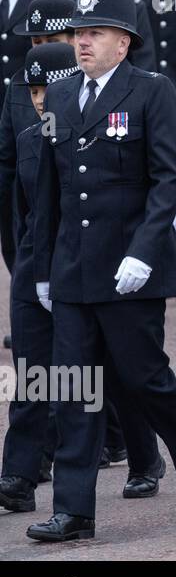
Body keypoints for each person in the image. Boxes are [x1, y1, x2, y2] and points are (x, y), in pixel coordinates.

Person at [29, 0, 176, 542]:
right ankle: (74, 510)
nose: (82, 42)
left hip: (129, 271)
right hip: (72, 271)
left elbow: (169, 178)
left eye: (95, 33)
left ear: (124, 41)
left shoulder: (151, 91)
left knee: (145, 380)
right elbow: (48, 190)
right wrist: (43, 269)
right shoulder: (63, 94)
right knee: (72, 385)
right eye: (78, 33)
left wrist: (146, 251)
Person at [0, 42, 80, 514]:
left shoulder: (95, 133)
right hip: (36, 268)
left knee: (128, 379)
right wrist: (25, 268)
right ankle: (20, 474)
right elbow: (20, 215)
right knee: (34, 375)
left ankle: (152, 459)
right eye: (31, 90)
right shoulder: (30, 140)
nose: (38, 98)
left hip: (87, 267)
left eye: (46, 87)